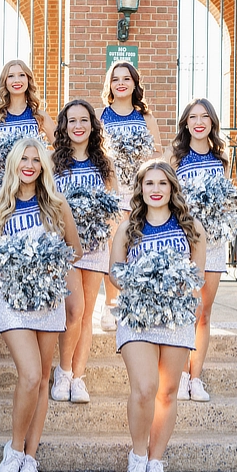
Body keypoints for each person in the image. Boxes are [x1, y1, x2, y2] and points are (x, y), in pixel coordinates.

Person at [0, 138, 82, 472]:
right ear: (13, 162)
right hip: (11, 297)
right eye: (24, 158)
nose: (30, 164)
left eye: (36, 160)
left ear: (43, 166)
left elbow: (75, 251)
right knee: (31, 374)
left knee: (40, 381)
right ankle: (15, 448)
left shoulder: (55, 204)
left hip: (47, 299)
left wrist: (44, 265)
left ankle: (31, 458)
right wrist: (18, 264)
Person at [109, 160, 205, 472]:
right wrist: (146, 283)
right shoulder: (128, 228)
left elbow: (198, 276)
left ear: (172, 188)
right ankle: (137, 457)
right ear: (140, 189)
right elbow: (115, 273)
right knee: (146, 387)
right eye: (149, 183)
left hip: (175, 317)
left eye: (162, 183)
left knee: (166, 391)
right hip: (137, 317)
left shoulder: (190, 227)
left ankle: (156, 460)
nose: (155, 189)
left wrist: (176, 291)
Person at [51, 100, 116, 404]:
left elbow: (114, 205)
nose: (78, 126)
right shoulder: (53, 162)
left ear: (92, 125)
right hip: (66, 247)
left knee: (87, 314)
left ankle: (78, 377)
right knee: (73, 310)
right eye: (72, 121)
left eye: (84, 120)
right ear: (64, 126)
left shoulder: (105, 162)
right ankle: (63, 371)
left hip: (95, 245)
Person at [168, 98, 230, 403]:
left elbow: (227, 199)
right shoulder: (176, 157)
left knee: (204, 313)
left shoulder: (222, 158)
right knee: (186, 310)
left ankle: (196, 378)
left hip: (215, 243)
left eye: (205, 116)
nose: (199, 122)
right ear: (186, 123)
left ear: (212, 122)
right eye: (193, 117)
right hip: (185, 241)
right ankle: (178, 376)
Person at [99, 61, 163, 332]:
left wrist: (137, 158)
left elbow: (157, 151)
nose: (121, 83)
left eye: (127, 78)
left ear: (135, 84)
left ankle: (134, 300)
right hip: (113, 191)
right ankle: (111, 305)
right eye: (116, 79)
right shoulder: (101, 115)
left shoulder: (145, 117)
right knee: (114, 245)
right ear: (110, 85)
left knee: (137, 244)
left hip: (138, 193)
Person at [0, 59, 56, 143]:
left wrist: (45, 154)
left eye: (22, 75)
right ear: (5, 81)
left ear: (28, 79)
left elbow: (61, 149)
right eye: (11, 76)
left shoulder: (39, 116)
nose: (17, 80)